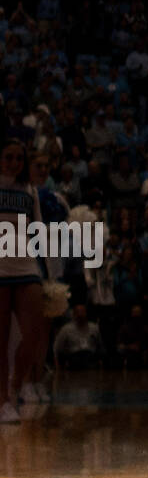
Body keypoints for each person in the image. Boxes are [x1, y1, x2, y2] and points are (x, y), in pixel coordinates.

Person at [0, 137, 47, 420]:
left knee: (33, 334)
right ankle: (3, 400)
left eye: (19, 158)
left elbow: (37, 231)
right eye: (8, 157)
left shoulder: (31, 189)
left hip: (27, 265)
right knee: (1, 338)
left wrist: (47, 273)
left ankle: (16, 384)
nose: (14, 163)